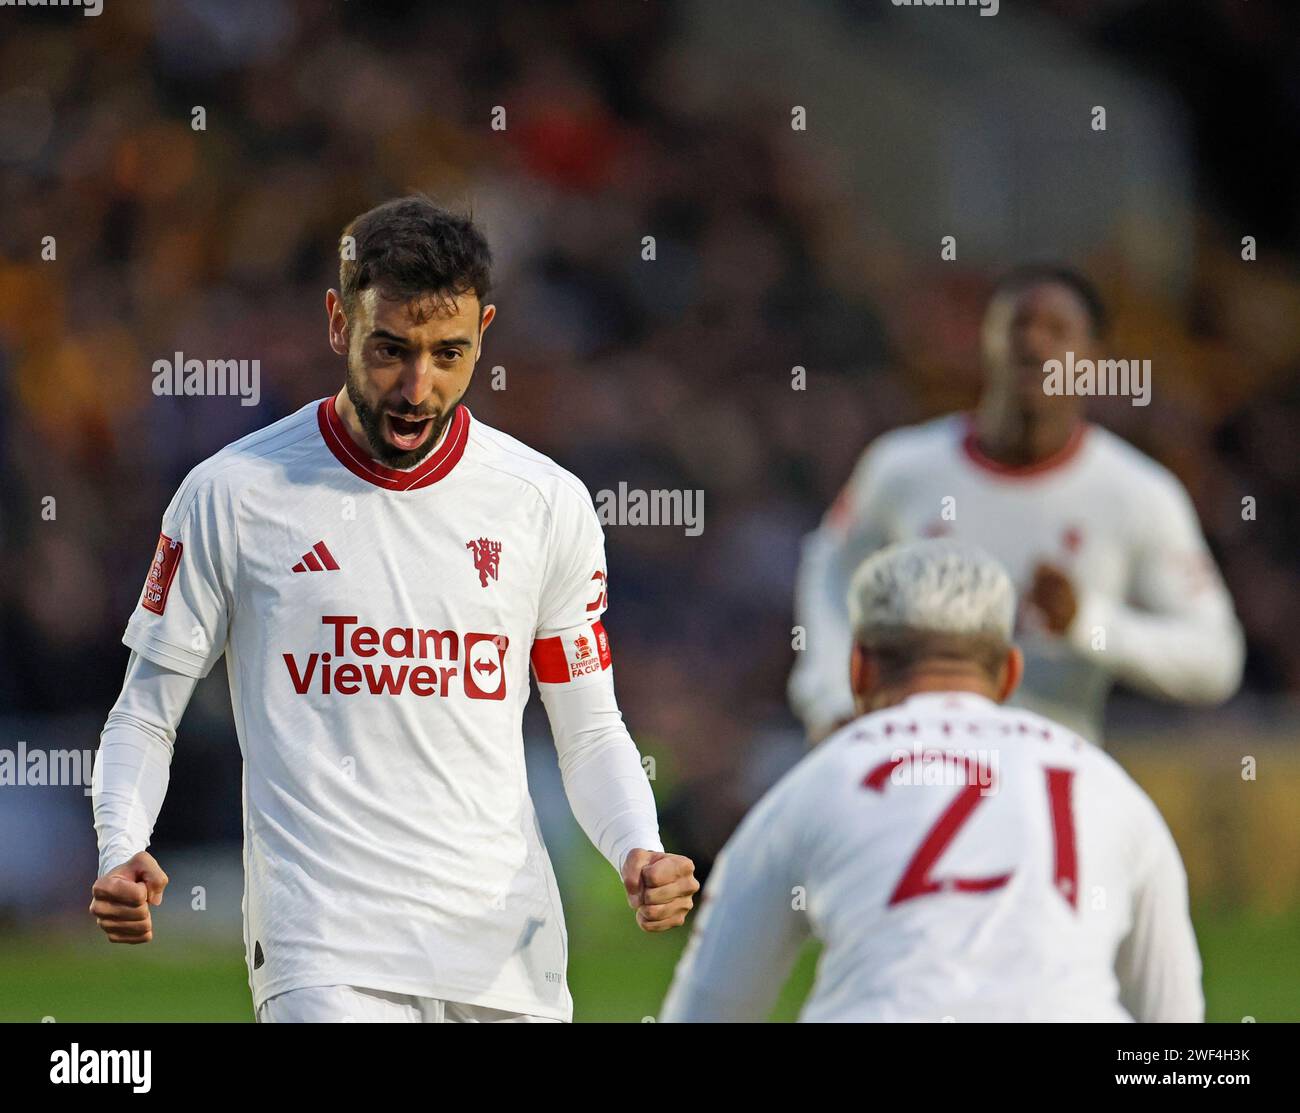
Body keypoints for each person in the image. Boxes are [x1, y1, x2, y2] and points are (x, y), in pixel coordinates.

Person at [89, 196, 698, 1023]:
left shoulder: (544, 503)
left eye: (450, 354)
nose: (419, 386)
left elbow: (588, 727)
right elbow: (144, 712)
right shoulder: (233, 496)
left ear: (484, 330)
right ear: (339, 322)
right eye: (391, 350)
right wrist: (122, 844)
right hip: (326, 949)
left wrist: (639, 845)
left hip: (506, 951)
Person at [662, 540, 1203, 1022]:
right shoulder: (1108, 785)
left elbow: (708, 1007)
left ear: (858, 672)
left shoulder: (811, 784)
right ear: (1010, 673)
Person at [789, 265, 1244, 744]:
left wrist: (1087, 623)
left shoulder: (1137, 493)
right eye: (1016, 325)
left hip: (1047, 784)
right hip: (912, 770)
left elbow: (1214, 660)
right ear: (985, 341)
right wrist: (832, 699)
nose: (1034, 345)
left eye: (1057, 331)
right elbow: (829, 571)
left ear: (1093, 359)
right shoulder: (902, 468)